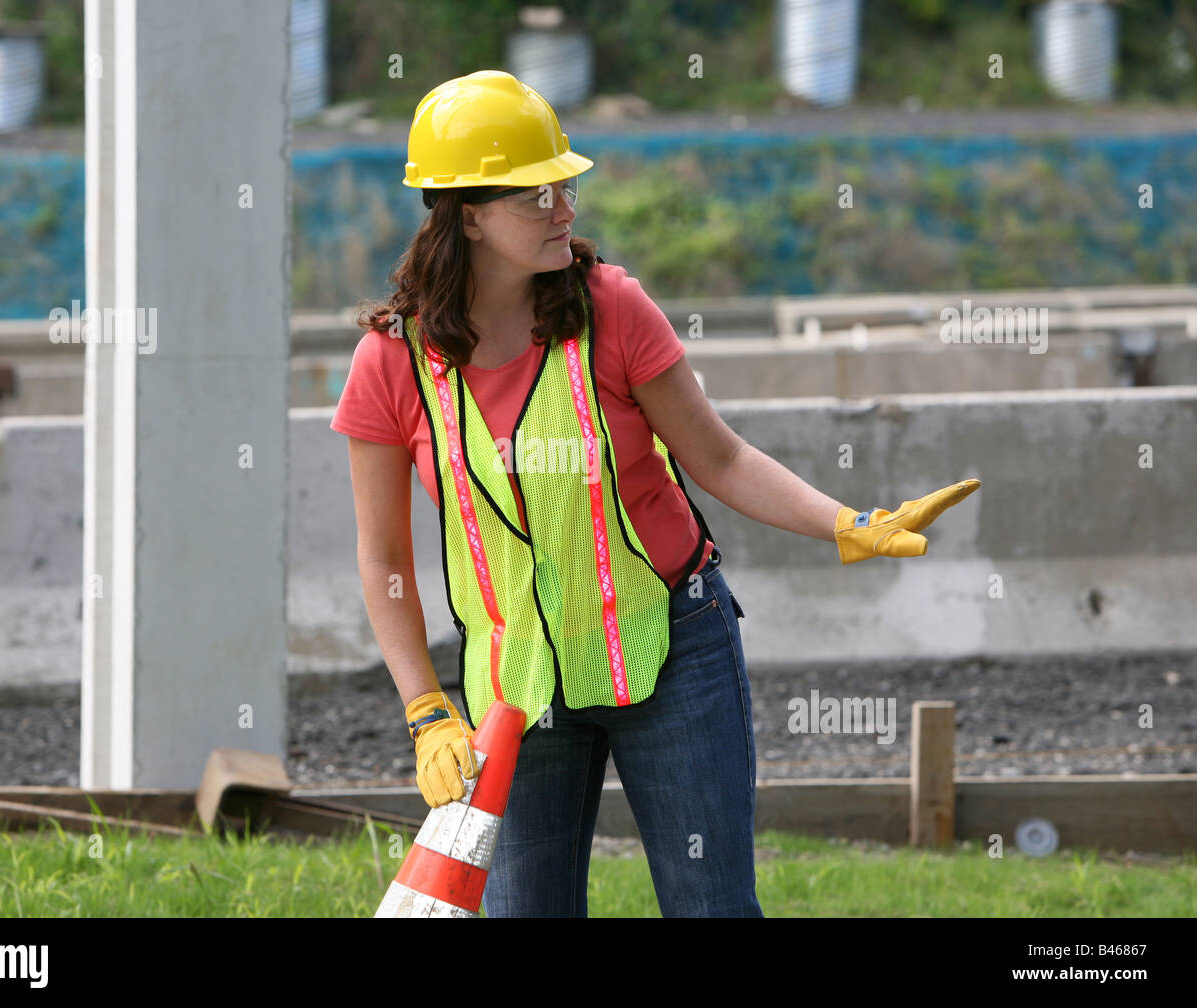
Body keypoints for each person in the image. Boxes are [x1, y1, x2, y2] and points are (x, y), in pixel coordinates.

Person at [330, 69, 979, 917]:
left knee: (710, 907)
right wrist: (425, 709)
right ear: (470, 215)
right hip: (516, 688)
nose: (565, 207)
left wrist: (850, 525)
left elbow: (721, 458)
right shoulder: (393, 361)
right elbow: (383, 559)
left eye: (566, 186)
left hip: (674, 649)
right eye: (537, 194)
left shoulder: (612, 309)